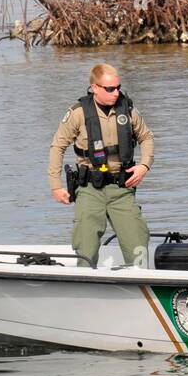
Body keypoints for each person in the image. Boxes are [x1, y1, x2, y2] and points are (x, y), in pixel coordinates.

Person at [48, 63, 155, 268]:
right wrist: (55, 185)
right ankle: (85, 286)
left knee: (138, 242)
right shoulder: (78, 112)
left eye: (118, 87)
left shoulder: (128, 109)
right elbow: (57, 146)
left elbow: (147, 137)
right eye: (109, 89)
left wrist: (144, 166)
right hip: (90, 189)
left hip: (122, 189)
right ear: (94, 87)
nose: (116, 93)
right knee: (85, 244)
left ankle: (142, 288)